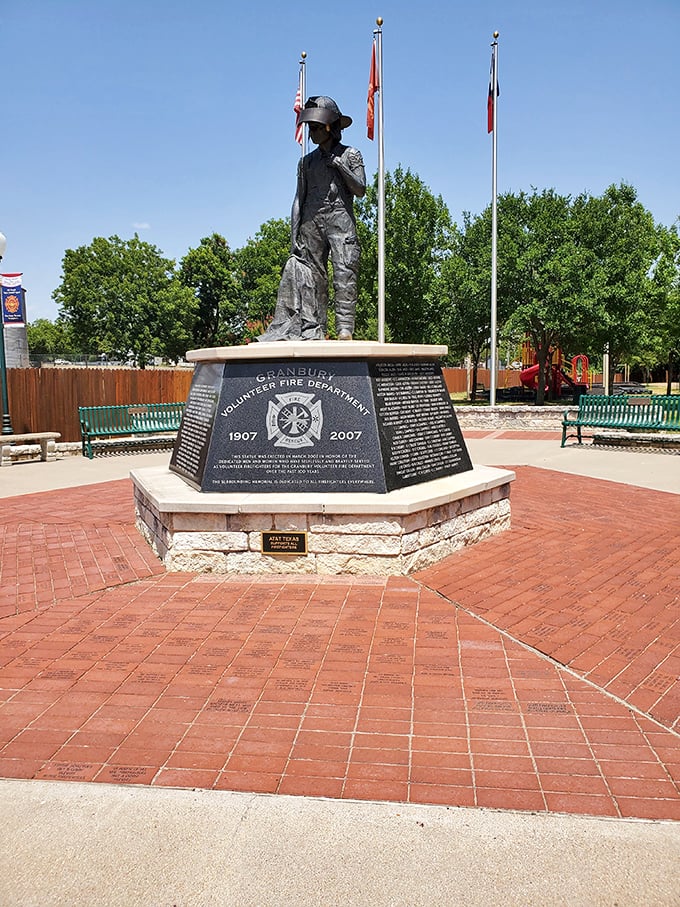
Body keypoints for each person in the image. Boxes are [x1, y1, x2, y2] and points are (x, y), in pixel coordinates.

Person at [259, 96, 366, 342]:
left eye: (317, 128)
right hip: (311, 221)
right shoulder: (306, 162)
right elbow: (298, 199)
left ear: (331, 127)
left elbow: (360, 189)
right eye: (310, 128)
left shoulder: (350, 154)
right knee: (312, 277)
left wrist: (339, 166)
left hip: (340, 219)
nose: (312, 133)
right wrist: (293, 234)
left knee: (345, 271)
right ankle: (314, 327)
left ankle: (344, 328)